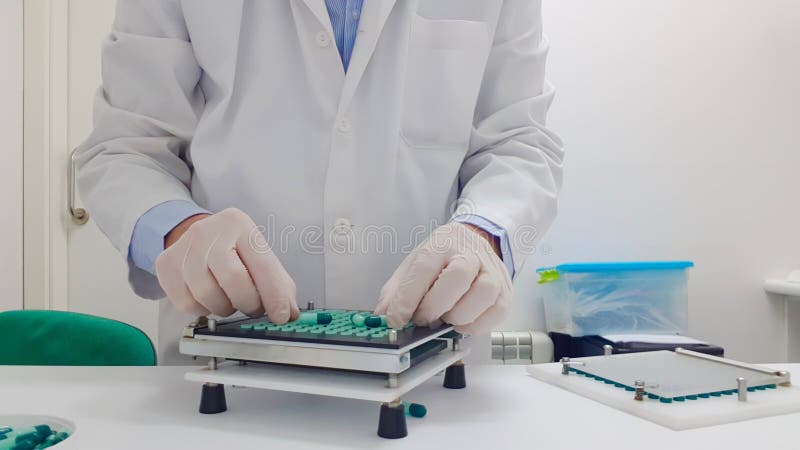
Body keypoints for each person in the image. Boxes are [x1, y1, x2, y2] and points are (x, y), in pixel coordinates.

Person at [76, 0, 564, 354]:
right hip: (231, 367)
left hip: (433, 369)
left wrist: (482, 233)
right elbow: (125, 146)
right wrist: (180, 232)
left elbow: (519, 140)